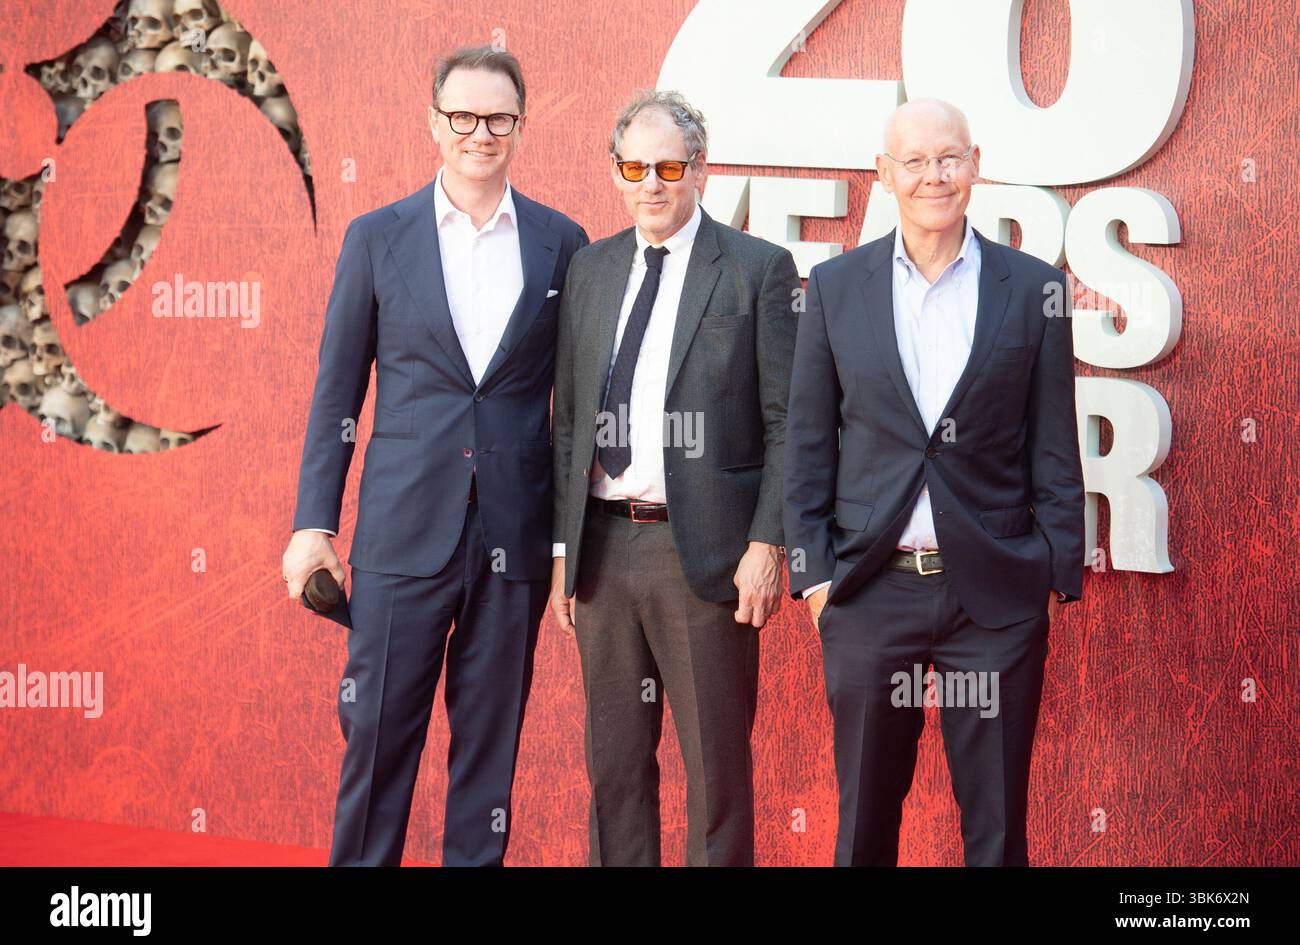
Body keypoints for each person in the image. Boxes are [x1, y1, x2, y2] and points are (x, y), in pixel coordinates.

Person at [281, 45, 588, 866]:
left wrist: (567, 541)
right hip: (400, 535)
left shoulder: (564, 244)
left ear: (521, 127)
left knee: (489, 757)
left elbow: (573, 413)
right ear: (433, 122)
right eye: (462, 116)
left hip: (513, 543)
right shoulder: (378, 238)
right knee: (377, 740)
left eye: (497, 118)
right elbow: (336, 392)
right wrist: (315, 522)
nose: (478, 132)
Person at [783, 98, 1085, 866]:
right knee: (864, 827)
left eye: (948, 158)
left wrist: (1050, 572)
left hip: (993, 599)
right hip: (867, 592)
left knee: (996, 827)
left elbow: (1053, 444)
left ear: (975, 164)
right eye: (913, 161)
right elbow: (809, 440)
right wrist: (816, 580)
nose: (933, 176)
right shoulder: (835, 286)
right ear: (884, 175)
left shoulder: (1032, 288)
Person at [550, 90, 800, 866]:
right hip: (601, 549)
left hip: (708, 557)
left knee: (715, 773)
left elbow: (792, 421)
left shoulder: (758, 270)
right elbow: (567, 421)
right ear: (615, 172)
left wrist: (767, 543)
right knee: (615, 769)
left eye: (667, 166)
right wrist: (563, 551)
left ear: (701, 169)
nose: (650, 183)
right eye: (634, 166)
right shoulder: (589, 268)